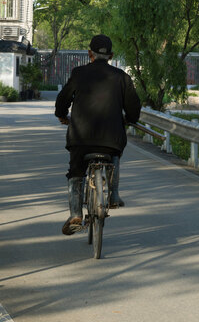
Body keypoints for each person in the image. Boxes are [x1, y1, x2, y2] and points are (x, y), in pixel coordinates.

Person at [54, 34, 141, 236]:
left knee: (76, 172)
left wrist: (62, 115)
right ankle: (113, 194)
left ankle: (75, 213)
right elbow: (134, 107)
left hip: (80, 137)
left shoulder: (78, 73)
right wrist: (130, 119)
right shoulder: (122, 77)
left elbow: (62, 100)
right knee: (116, 153)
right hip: (112, 138)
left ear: (89, 54)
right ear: (110, 55)